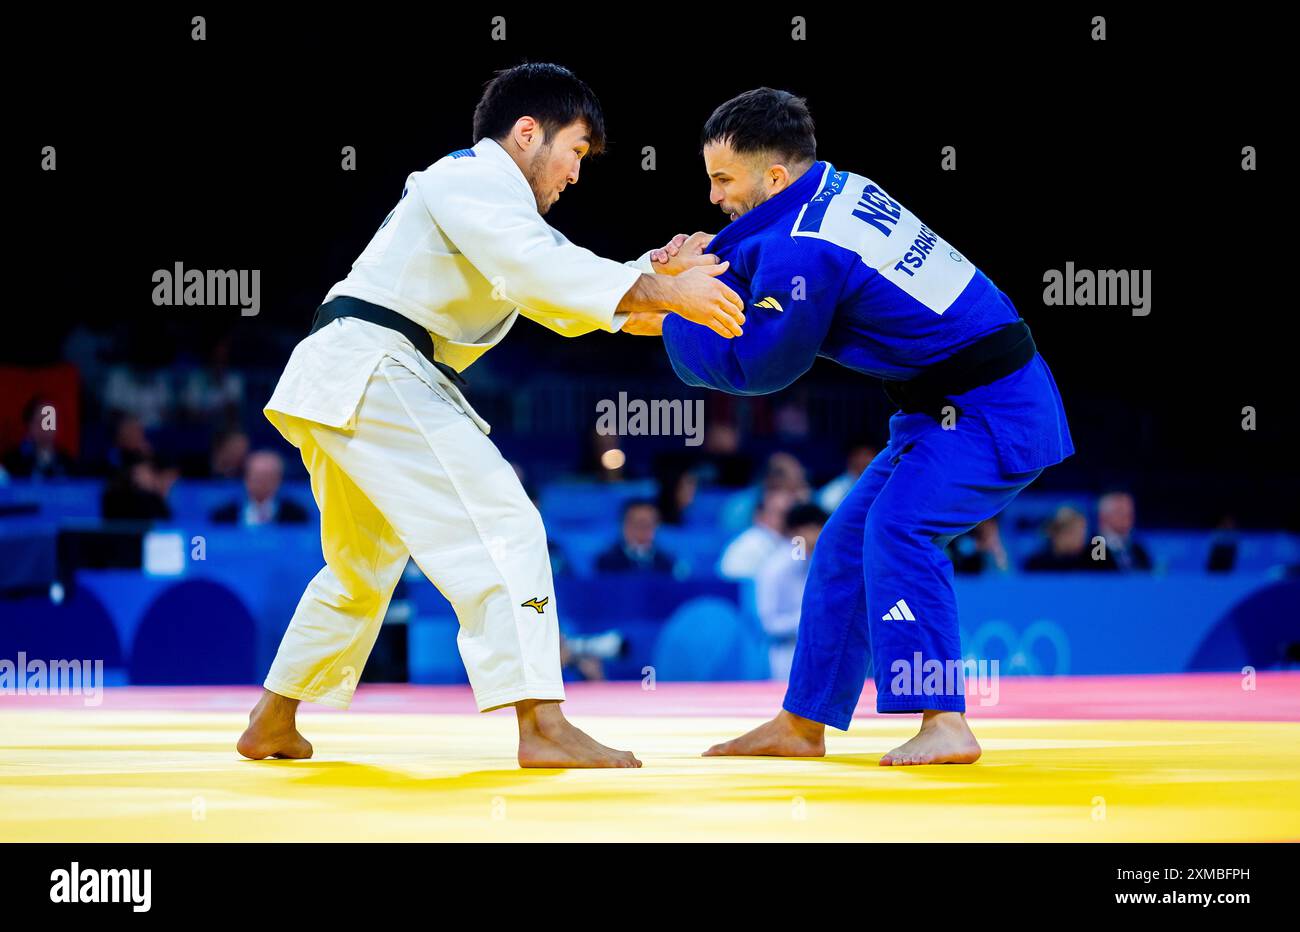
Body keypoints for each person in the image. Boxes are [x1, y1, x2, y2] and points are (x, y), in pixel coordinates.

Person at [237, 63, 745, 769]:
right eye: (574, 151)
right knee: (506, 524)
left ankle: (273, 718)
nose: (576, 174)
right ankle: (540, 724)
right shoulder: (469, 178)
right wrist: (662, 289)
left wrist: (661, 279)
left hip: (350, 379)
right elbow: (545, 272)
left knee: (362, 566)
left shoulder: (499, 212)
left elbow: (566, 290)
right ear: (527, 132)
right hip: (377, 371)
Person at [643, 88, 1073, 765]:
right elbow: (771, 239)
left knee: (900, 529)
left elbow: (760, 368)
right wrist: (709, 254)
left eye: (723, 180)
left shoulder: (806, 250)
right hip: (945, 410)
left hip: (994, 407)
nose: (714, 195)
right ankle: (803, 722)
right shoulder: (835, 189)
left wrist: (671, 314)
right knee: (845, 544)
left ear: (773, 176)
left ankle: (946, 720)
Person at [754, 503, 828, 679]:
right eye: (814, 528)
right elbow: (769, 623)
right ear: (798, 530)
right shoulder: (774, 569)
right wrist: (807, 619)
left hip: (821, 650)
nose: (819, 534)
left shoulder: (821, 564)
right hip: (786, 654)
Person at [209, 450, 309, 526]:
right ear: (246, 478)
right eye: (257, 477)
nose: (262, 483)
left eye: (268, 477)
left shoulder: (296, 516)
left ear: (278, 480)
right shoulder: (223, 516)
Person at [595, 499, 678, 573]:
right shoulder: (606, 562)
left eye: (648, 525)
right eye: (636, 524)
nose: (642, 531)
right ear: (623, 526)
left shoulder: (667, 563)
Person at [1095, 491, 1153, 571]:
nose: (1127, 516)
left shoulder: (1139, 550)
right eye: (1120, 511)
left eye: (1129, 511)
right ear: (1103, 516)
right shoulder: (1095, 547)